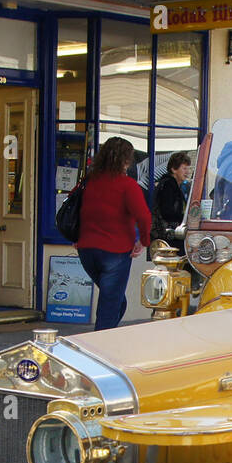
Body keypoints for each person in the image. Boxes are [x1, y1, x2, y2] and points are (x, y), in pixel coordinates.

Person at [74, 136, 152, 331]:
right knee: (110, 306)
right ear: (126, 160)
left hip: (87, 249)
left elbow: (74, 208)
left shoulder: (89, 181)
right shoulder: (127, 185)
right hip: (115, 250)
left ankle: (104, 340)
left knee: (117, 301)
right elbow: (144, 216)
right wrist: (143, 241)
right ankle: (99, 349)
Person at [151, 151, 191, 248]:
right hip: (167, 236)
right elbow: (167, 212)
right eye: (184, 168)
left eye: (188, 168)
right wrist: (186, 219)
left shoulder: (171, 184)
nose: (187, 172)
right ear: (174, 169)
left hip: (165, 234)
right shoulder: (169, 185)